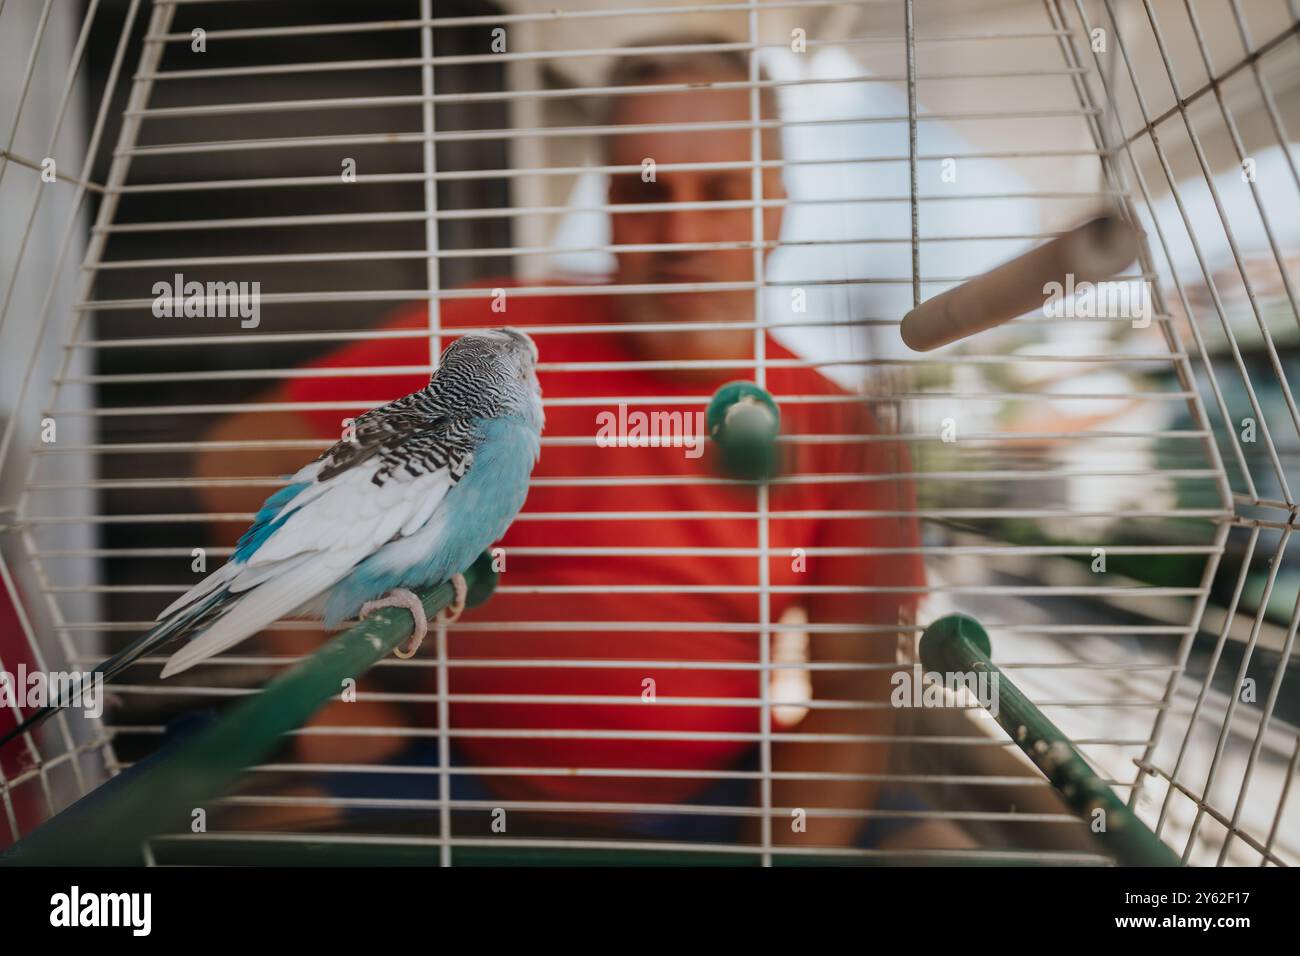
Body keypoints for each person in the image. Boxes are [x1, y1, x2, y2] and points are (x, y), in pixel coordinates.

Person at [195, 37, 963, 851]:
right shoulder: (494, 349)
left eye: (721, 191)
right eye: (647, 193)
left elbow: (849, 693)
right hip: (442, 775)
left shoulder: (842, 432)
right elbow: (239, 458)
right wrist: (334, 703)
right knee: (217, 833)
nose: (684, 233)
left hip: (729, 795)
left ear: (775, 205)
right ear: (608, 204)